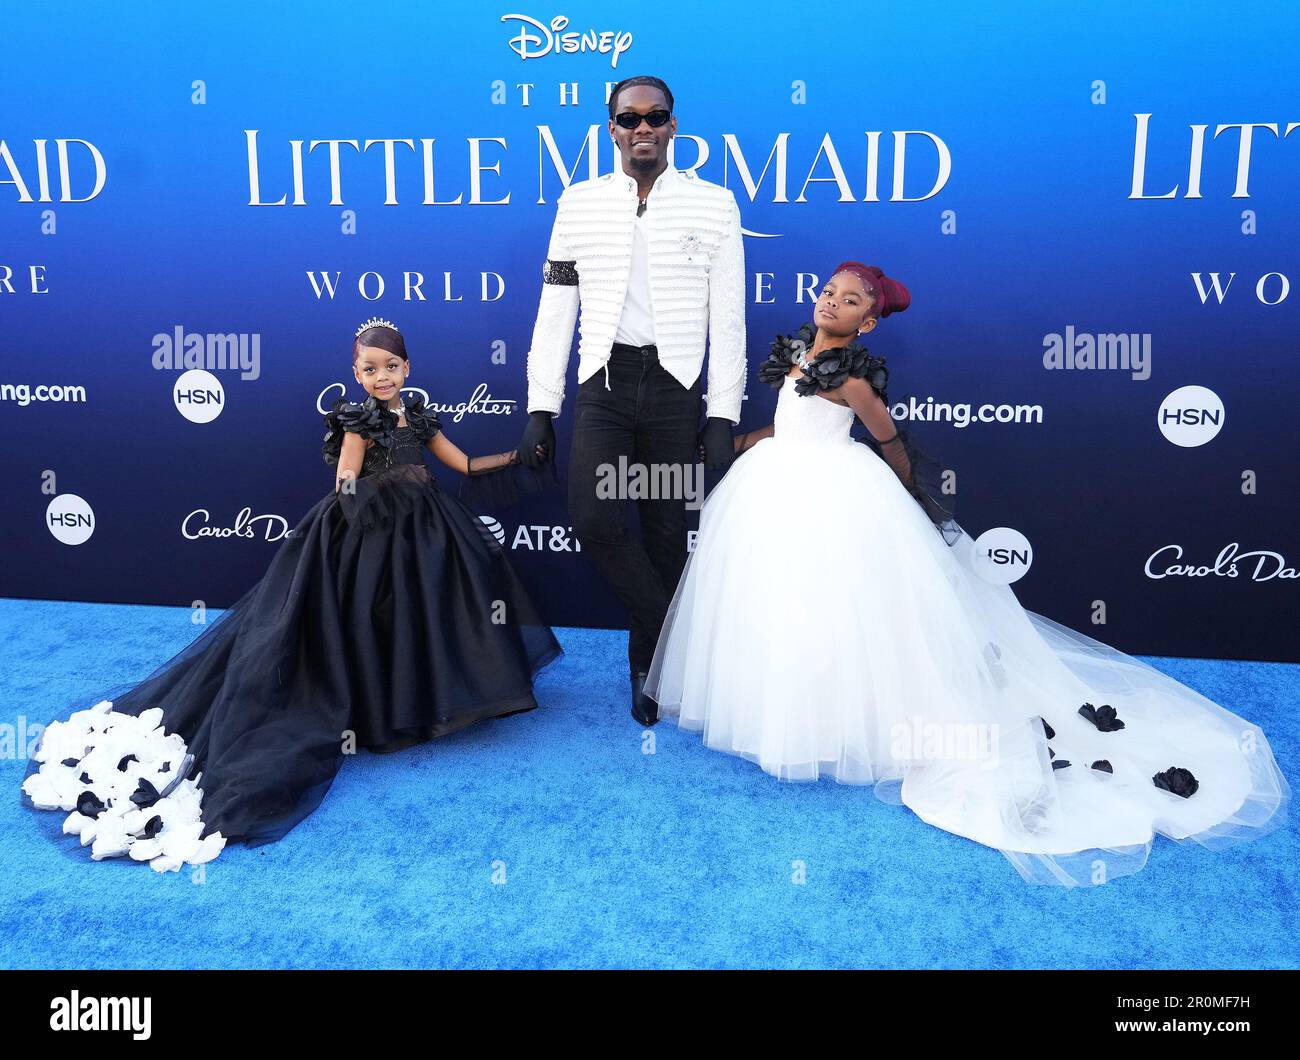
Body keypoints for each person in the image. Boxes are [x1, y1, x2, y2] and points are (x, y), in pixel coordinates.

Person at [645, 262, 1290, 887]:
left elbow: (887, 439)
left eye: (849, 300)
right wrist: (746, 442)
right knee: (774, 601)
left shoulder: (855, 382)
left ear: (868, 323)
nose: (831, 303)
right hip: (773, 484)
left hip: (835, 492)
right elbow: (792, 422)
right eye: (827, 292)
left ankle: (832, 725)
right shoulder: (794, 356)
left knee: (832, 609)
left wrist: (910, 503)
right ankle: (767, 709)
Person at [22, 318, 562, 870]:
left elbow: (464, 464)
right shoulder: (358, 421)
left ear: (408, 369)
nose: (382, 377)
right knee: (360, 616)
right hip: (366, 530)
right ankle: (371, 711)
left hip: (423, 529)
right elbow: (345, 480)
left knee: (422, 612)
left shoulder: (419, 418)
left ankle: (416, 703)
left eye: (391, 367)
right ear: (356, 374)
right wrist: (383, 491)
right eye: (370, 369)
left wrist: (517, 459)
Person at [517, 74, 746, 726]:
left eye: (655, 117)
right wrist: (542, 406)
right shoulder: (579, 203)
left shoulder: (716, 205)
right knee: (595, 519)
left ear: (674, 125)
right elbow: (555, 308)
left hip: (675, 390)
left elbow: (728, 321)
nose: (642, 129)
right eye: (629, 119)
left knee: (668, 532)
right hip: (604, 385)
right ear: (611, 128)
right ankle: (677, 638)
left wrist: (723, 414)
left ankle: (649, 664)